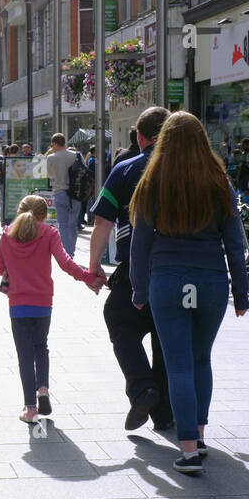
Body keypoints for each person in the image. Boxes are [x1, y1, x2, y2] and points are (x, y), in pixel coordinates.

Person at [128, 111, 249, 475]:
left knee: (178, 364)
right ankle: (198, 434)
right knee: (201, 360)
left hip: (167, 281)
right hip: (210, 282)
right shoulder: (219, 182)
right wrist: (242, 294)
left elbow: (140, 245)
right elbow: (235, 244)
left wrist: (138, 289)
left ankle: (187, 450)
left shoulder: (153, 182)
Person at [88, 108, 172, 433]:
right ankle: (164, 412)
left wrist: (94, 267)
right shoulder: (188, 171)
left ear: (140, 137)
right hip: (181, 271)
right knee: (166, 337)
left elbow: (102, 222)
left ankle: (142, 388)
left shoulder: (125, 169)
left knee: (119, 318)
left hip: (136, 268)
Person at [0, 194, 102, 423]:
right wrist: (88, 278)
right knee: (41, 347)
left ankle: (30, 408)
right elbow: (65, 263)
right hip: (43, 302)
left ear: (20, 211)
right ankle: (42, 389)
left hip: (18, 304)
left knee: (24, 355)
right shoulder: (50, 233)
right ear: (45, 216)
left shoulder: (7, 234)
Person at [44, 133, 82, 257]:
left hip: (60, 192)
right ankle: (73, 250)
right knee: (73, 224)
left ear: (54, 143)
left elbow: (48, 175)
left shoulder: (51, 158)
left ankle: (68, 253)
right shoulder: (77, 155)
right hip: (76, 193)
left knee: (63, 225)